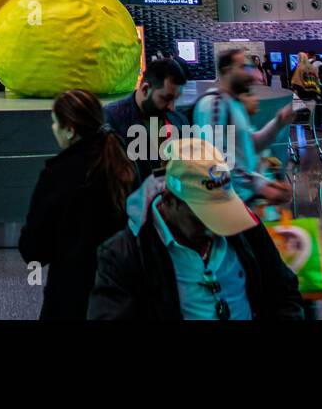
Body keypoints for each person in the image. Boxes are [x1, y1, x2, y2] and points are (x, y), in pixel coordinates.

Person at [88, 137, 304, 320]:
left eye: (222, 215)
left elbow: (283, 292)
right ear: (170, 200)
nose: (214, 229)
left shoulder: (245, 227)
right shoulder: (125, 255)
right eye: (202, 218)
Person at [20, 90, 135, 320]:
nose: (53, 129)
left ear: (70, 130)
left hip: (70, 293)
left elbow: (34, 248)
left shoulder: (57, 176)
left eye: (55, 123)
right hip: (120, 292)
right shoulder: (124, 165)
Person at [191, 49, 294, 205]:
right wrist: (262, 186)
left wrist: (278, 123)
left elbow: (251, 144)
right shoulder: (214, 104)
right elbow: (218, 158)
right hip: (227, 202)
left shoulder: (234, 103)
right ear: (227, 71)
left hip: (244, 198)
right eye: (243, 67)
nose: (250, 74)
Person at [103, 58, 188, 183]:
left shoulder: (178, 120)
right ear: (145, 89)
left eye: (176, 99)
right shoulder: (112, 120)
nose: (172, 107)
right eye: (167, 98)